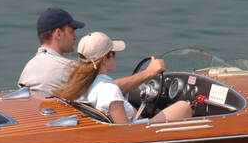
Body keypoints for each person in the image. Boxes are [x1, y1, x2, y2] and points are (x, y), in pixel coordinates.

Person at [18, 8, 166, 96]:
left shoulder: (29, 66)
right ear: (58, 34)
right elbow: (107, 90)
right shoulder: (65, 67)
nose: (75, 37)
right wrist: (148, 73)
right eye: (72, 31)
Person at [56, 32, 193, 125]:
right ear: (104, 60)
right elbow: (124, 133)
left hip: (106, 132)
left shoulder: (80, 85)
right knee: (184, 106)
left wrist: (148, 73)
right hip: (136, 137)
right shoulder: (110, 91)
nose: (116, 56)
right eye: (114, 53)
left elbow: (115, 88)